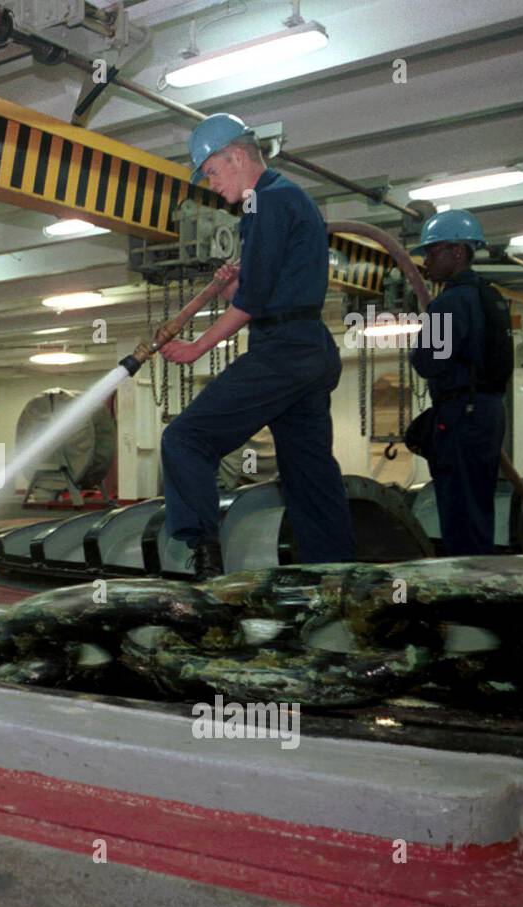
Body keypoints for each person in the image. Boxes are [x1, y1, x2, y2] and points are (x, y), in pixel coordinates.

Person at [157, 113, 354, 580]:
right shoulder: (287, 199)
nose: (212, 184)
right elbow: (263, 293)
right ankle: (336, 577)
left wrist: (197, 347)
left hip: (283, 349)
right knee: (308, 472)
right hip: (308, 349)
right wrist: (233, 292)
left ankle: (202, 560)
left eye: (213, 172)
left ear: (239, 156)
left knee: (185, 438)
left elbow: (257, 300)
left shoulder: (263, 203)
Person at [407, 208, 506, 555]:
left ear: (458, 252)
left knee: (458, 511)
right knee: (478, 507)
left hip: (461, 415)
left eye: (432, 253)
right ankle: (481, 586)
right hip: (487, 412)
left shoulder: (450, 303)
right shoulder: (488, 294)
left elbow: (427, 361)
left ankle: (464, 593)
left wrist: (418, 343)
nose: (426, 262)